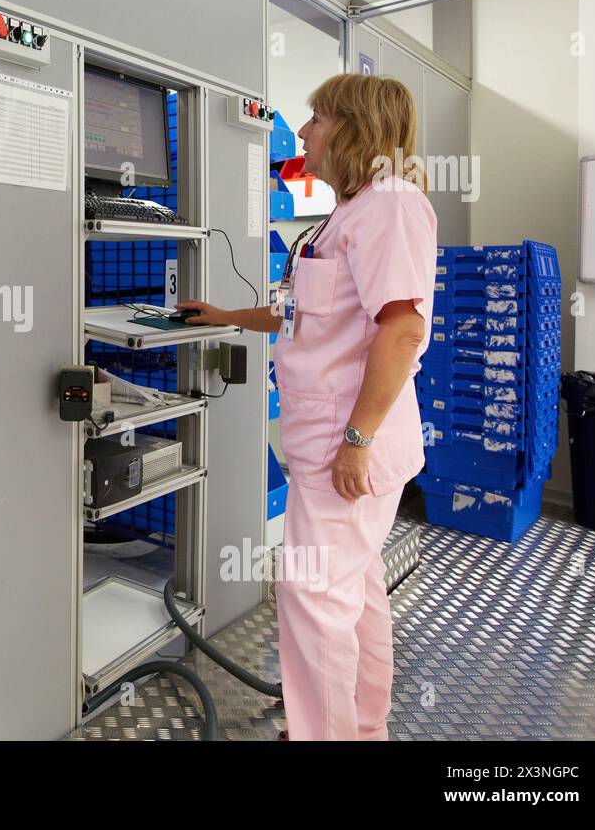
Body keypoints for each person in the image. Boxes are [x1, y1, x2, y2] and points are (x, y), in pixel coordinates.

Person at [176, 73, 437, 740]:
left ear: (353, 130)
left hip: (347, 448)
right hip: (335, 443)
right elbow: (304, 316)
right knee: (355, 590)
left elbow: (402, 328)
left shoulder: (392, 205)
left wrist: (357, 439)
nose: (306, 132)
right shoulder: (349, 214)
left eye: (318, 118)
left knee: (314, 597)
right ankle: (362, 726)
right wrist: (225, 314)